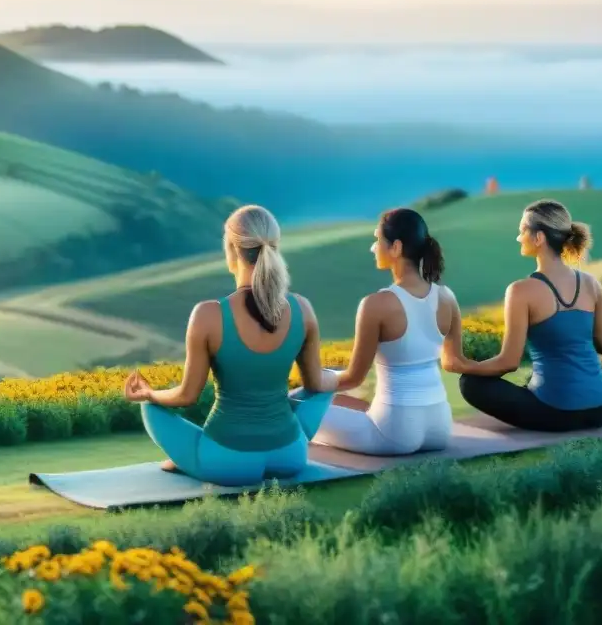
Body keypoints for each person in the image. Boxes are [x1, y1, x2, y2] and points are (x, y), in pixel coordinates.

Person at [122, 204, 338, 487]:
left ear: (232, 250)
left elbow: (187, 395)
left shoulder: (208, 315)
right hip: (290, 457)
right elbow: (315, 385)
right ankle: (206, 455)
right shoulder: (302, 309)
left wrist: (150, 393)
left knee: (150, 407)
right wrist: (340, 376)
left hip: (226, 462)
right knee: (324, 383)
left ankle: (191, 459)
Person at [449, 198, 602, 432]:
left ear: (538, 237)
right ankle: (582, 400)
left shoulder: (520, 291)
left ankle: (549, 398)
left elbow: (508, 363)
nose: (518, 238)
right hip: (600, 411)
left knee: (471, 383)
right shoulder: (591, 284)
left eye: (522, 231)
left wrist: (462, 365)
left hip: (555, 415)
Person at [301, 207, 459, 456]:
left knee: (291, 407)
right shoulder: (447, 297)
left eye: (377, 240)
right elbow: (455, 359)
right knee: (337, 401)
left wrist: (312, 379)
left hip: (394, 432)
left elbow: (353, 378)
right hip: (440, 426)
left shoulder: (376, 304)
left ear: (395, 247)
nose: (373, 248)